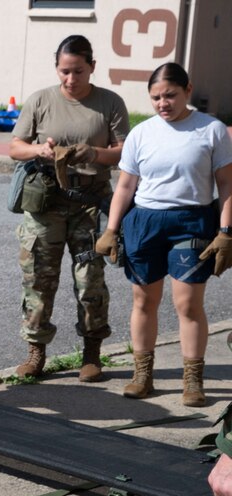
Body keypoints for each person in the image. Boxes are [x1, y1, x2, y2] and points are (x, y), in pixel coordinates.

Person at [94, 62, 232, 406]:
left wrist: (227, 230)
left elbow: (227, 184)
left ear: (188, 90)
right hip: (145, 222)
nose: (162, 103)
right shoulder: (142, 133)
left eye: (170, 95)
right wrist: (112, 230)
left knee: (187, 303)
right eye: (155, 97)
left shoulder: (211, 130)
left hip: (192, 220)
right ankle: (142, 375)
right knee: (144, 300)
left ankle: (193, 380)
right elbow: (125, 185)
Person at [9, 34, 129, 381]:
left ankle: (92, 354)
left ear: (92, 67)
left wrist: (94, 154)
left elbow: (124, 152)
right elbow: (16, 146)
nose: (71, 79)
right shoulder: (41, 100)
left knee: (90, 281)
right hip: (46, 201)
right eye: (64, 71)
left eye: (78, 71)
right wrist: (40, 152)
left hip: (89, 205)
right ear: (57, 68)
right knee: (39, 281)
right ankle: (35, 353)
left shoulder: (110, 102)